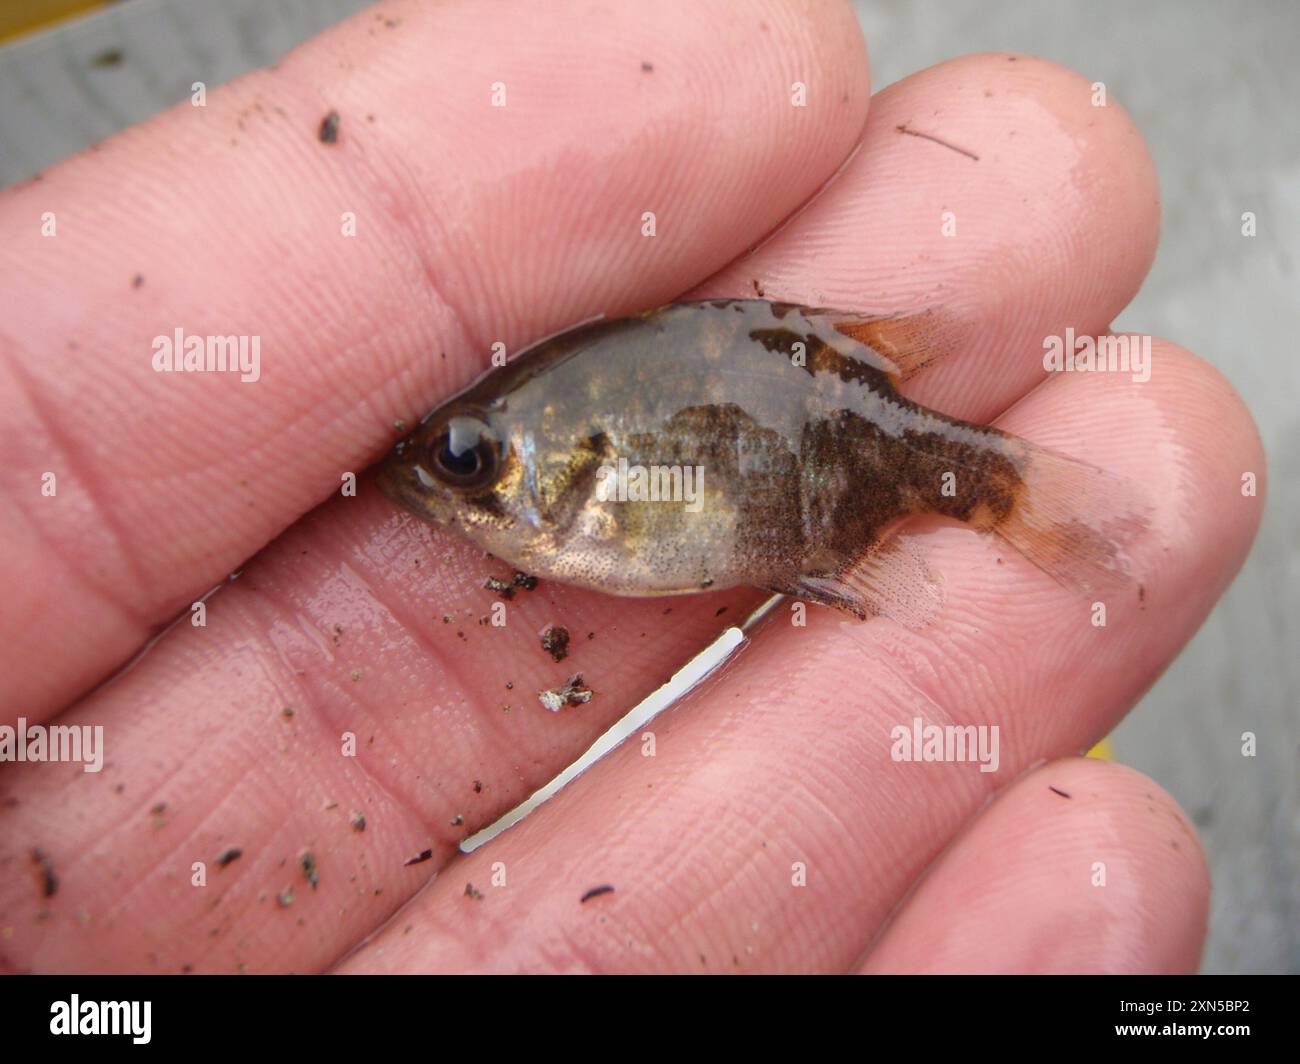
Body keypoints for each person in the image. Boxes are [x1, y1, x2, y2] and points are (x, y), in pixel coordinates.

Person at [0, 0, 1264, 973]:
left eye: (469, 458)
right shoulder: (566, 452)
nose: (437, 476)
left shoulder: (581, 470)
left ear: (565, 462)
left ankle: (1030, 502)